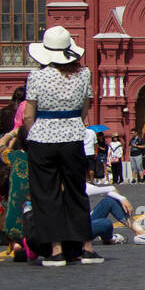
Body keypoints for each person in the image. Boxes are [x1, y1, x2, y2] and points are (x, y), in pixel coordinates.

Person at [22, 26, 93, 267]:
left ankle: (56, 250)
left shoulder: (36, 76)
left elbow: (29, 115)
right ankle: (86, 247)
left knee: (46, 194)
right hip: (73, 137)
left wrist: (34, 134)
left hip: (42, 139)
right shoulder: (84, 74)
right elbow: (85, 109)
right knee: (76, 190)